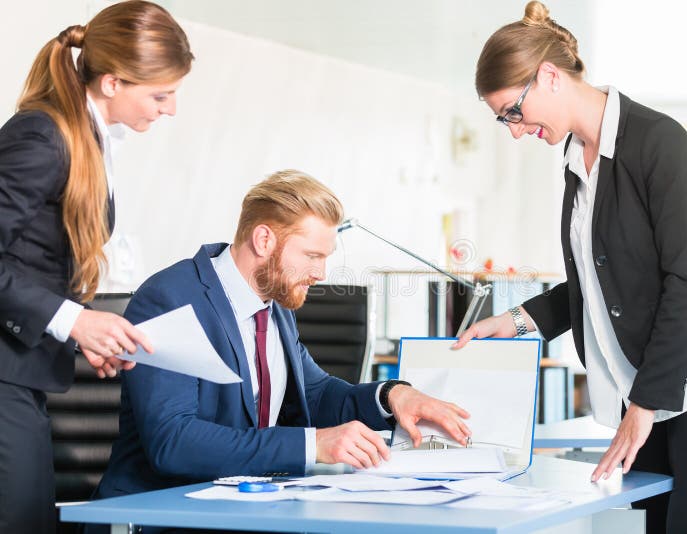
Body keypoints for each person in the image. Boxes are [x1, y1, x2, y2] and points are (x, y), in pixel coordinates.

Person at [453, 2, 687, 533]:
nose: (512, 129)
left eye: (511, 111)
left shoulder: (659, 144)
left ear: (548, 76)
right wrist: (517, 322)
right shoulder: (578, 159)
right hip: (650, 383)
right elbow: (591, 282)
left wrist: (643, 406)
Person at [92, 170, 471, 514]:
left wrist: (392, 396)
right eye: (311, 255)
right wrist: (312, 445)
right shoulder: (169, 298)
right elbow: (173, 441)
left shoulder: (274, 305)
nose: (321, 273)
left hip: (248, 509)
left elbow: (316, 393)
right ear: (263, 240)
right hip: (159, 514)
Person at [0, 2, 193, 532]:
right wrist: (73, 320)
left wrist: (82, 330)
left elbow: (28, 260)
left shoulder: (85, 139)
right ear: (112, 83)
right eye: (160, 94)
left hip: (21, 373)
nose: (171, 108)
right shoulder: (41, 137)